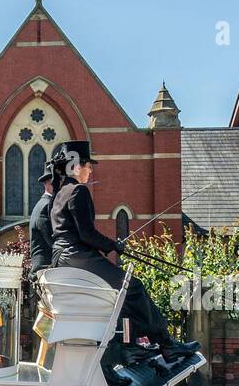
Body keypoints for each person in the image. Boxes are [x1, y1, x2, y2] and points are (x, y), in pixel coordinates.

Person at [48, 141, 196, 358]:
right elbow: (86, 234)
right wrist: (113, 245)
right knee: (133, 288)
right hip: (75, 254)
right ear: (77, 167)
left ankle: (133, 344)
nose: (91, 170)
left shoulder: (60, 193)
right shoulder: (78, 191)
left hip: (64, 256)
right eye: (89, 165)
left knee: (119, 299)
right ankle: (166, 343)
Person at [28, 166, 55, 274]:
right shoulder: (46, 206)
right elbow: (52, 241)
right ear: (49, 184)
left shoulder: (45, 203)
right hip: (44, 270)